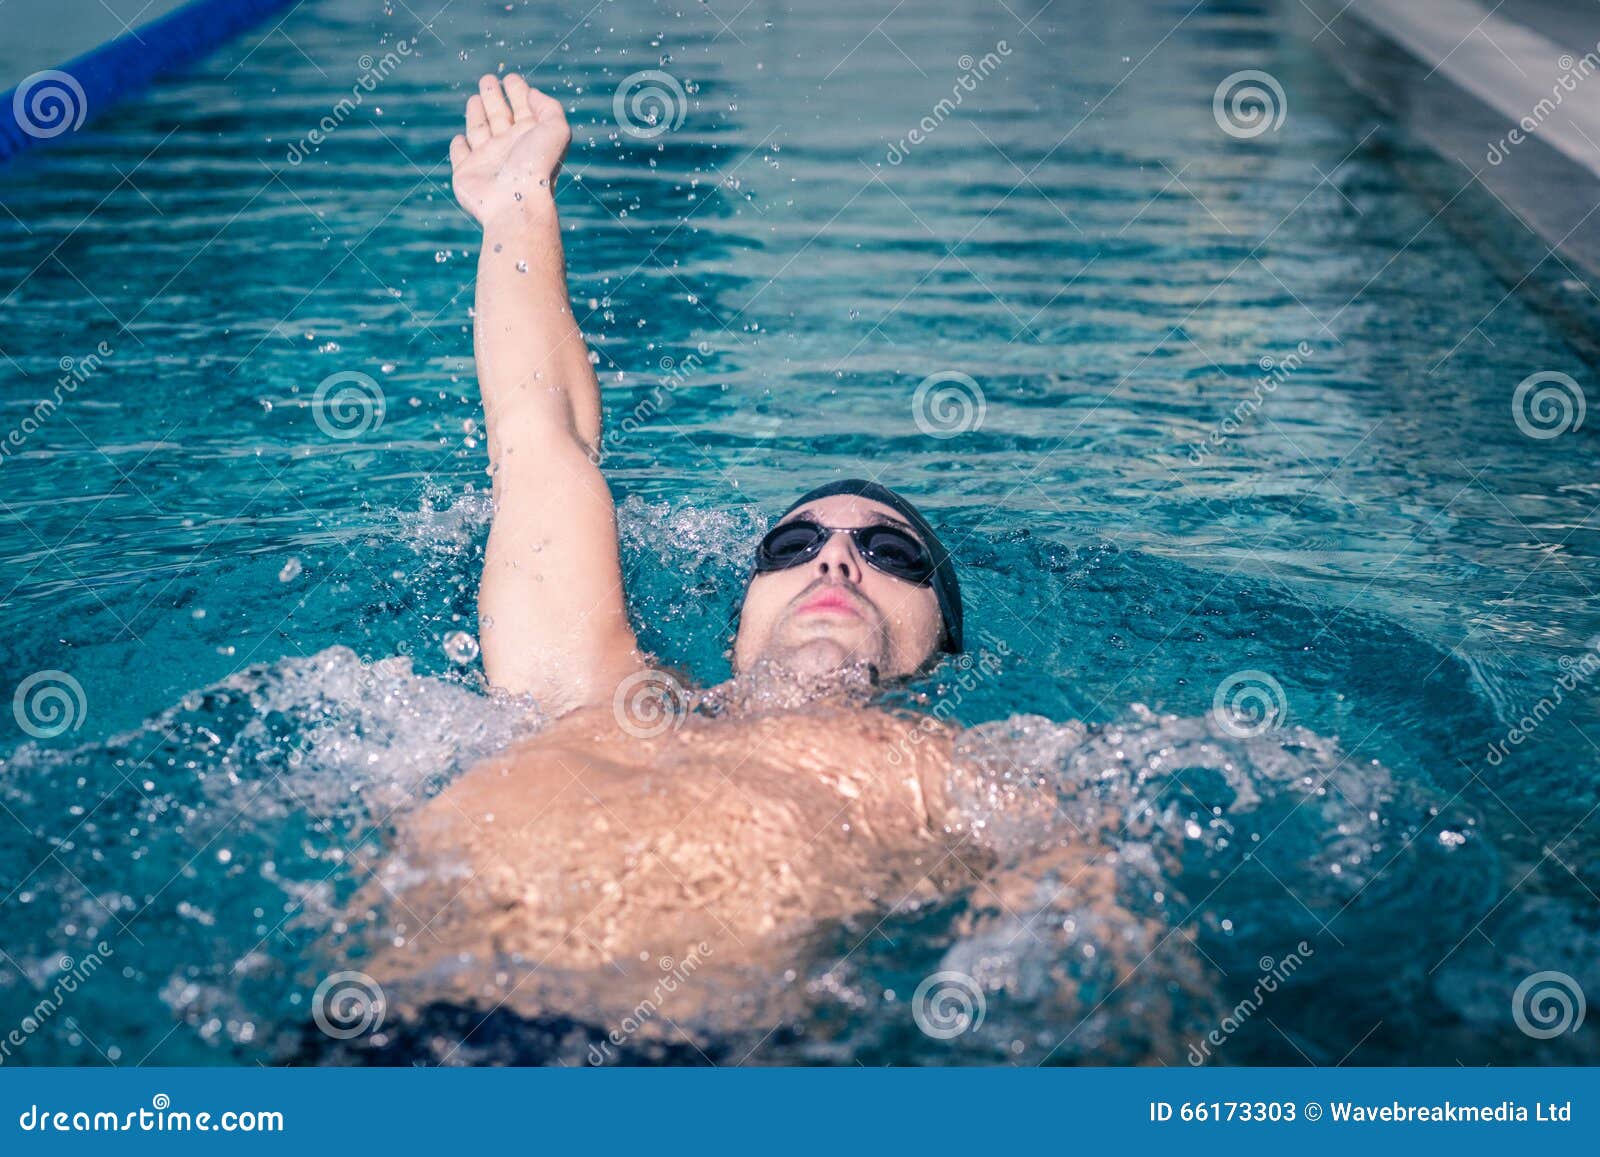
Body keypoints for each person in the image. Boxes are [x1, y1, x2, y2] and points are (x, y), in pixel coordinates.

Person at [354, 78, 1184, 1052]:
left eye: (889, 551)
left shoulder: (950, 777)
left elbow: (1096, 925)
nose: (835, 556)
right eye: (793, 544)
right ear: (740, 617)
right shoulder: (592, 688)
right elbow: (540, 436)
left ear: (941, 640)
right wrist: (516, 208)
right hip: (383, 1044)